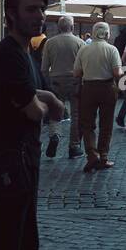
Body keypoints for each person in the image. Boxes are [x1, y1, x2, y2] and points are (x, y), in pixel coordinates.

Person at [0, 0, 64, 250]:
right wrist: (47, 102)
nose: (39, 15)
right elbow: (34, 111)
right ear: (11, 14)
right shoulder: (8, 54)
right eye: (31, 9)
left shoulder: (26, 53)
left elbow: (33, 96)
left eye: (41, 9)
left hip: (25, 157)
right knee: (7, 239)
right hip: (7, 159)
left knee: (26, 237)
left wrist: (47, 99)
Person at [74, 23, 124, 172]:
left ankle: (92, 155)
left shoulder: (84, 49)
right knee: (106, 124)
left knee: (87, 124)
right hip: (107, 88)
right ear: (108, 34)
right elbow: (117, 72)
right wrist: (122, 72)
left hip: (88, 88)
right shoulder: (112, 50)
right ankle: (103, 156)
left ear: (93, 33)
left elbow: (76, 73)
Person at [41, 15, 86, 159]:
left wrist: (48, 82)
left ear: (58, 27)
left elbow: (43, 68)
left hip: (56, 80)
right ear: (72, 27)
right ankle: (74, 146)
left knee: (55, 111)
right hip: (74, 80)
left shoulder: (50, 42)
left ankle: (55, 134)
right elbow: (83, 67)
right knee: (76, 115)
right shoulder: (80, 43)